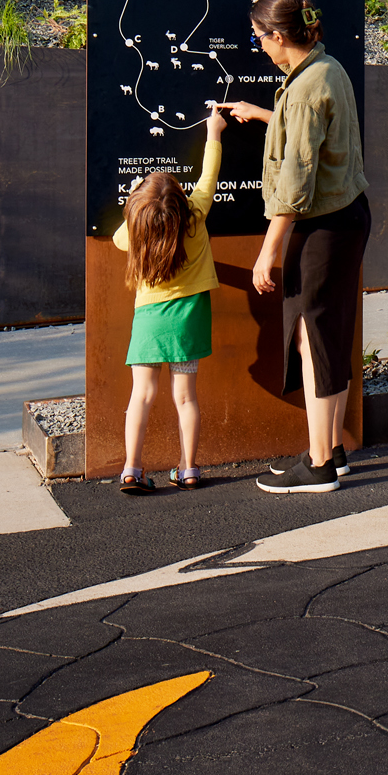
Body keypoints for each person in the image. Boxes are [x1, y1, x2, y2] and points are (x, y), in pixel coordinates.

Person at [225, 0, 370, 495]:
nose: (258, 45)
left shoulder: (305, 89)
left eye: (259, 36)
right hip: (346, 218)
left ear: (279, 35)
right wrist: (263, 115)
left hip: (323, 226)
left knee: (313, 340)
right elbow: (312, 138)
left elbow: (296, 183)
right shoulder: (324, 70)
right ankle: (331, 451)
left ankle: (319, 466)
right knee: (330, 336)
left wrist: (269, 251)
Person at [112, 103, 225, 497]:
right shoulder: (195, 215)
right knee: (185, 397)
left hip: (148, 321)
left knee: (140, 396)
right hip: (188, 319)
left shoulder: (134, 232)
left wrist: (133, 206)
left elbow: (117, 238)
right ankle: (188, 468)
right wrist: (213, 132)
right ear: (179, 200)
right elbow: (208, 177)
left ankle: (132, 469)